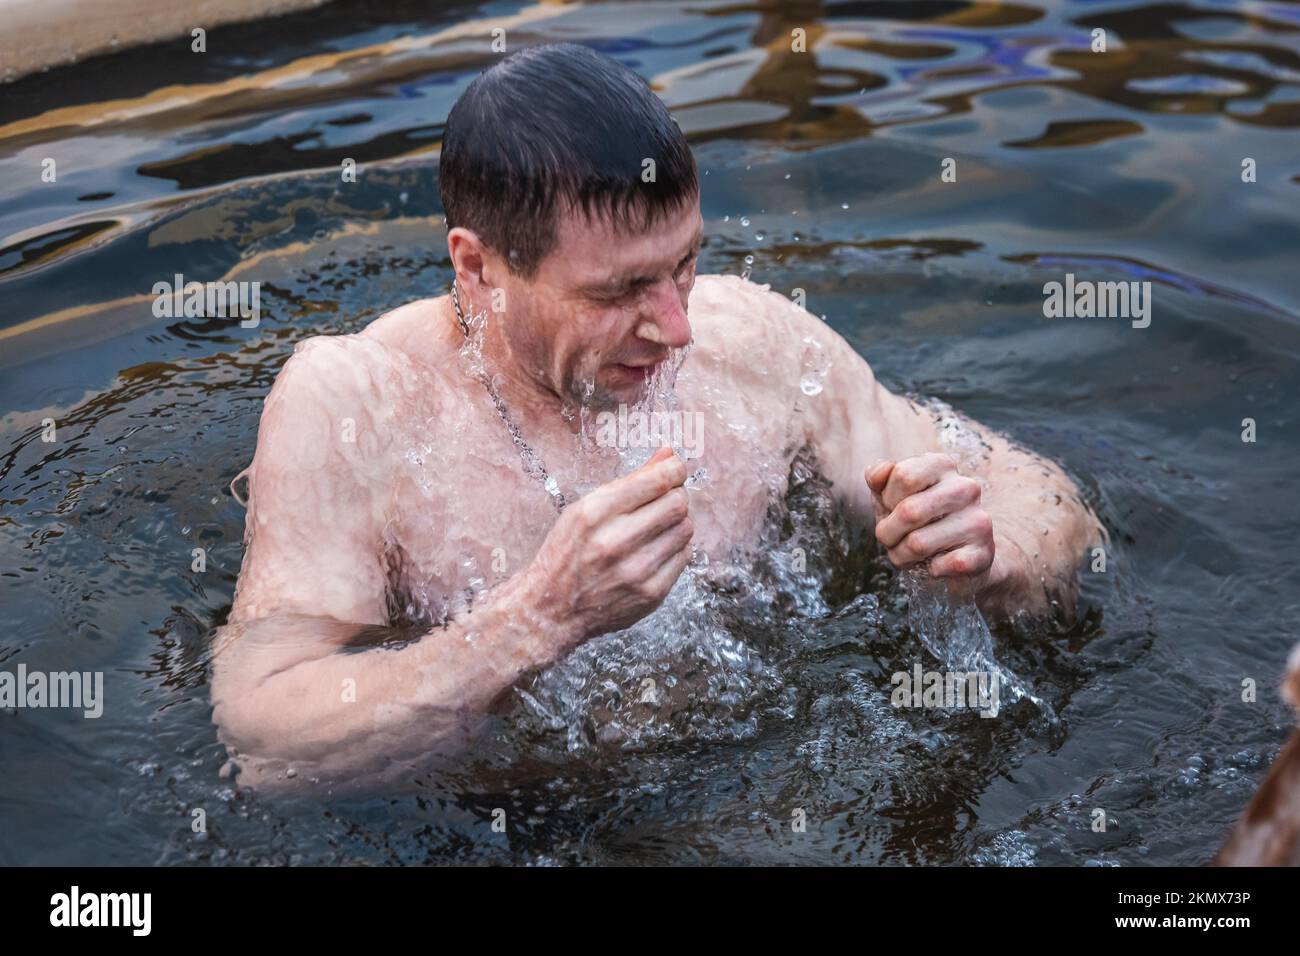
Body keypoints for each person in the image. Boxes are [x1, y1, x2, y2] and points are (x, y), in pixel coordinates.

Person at [211, 43, 1100, 786]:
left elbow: (1043, 494)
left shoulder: (748, 339)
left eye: (683, 263)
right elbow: (265, 738)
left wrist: (992, 562)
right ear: (479, 270)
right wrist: (536, 619)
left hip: (769, 786)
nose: (677, 326)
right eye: (620, 289)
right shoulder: (358, 407)